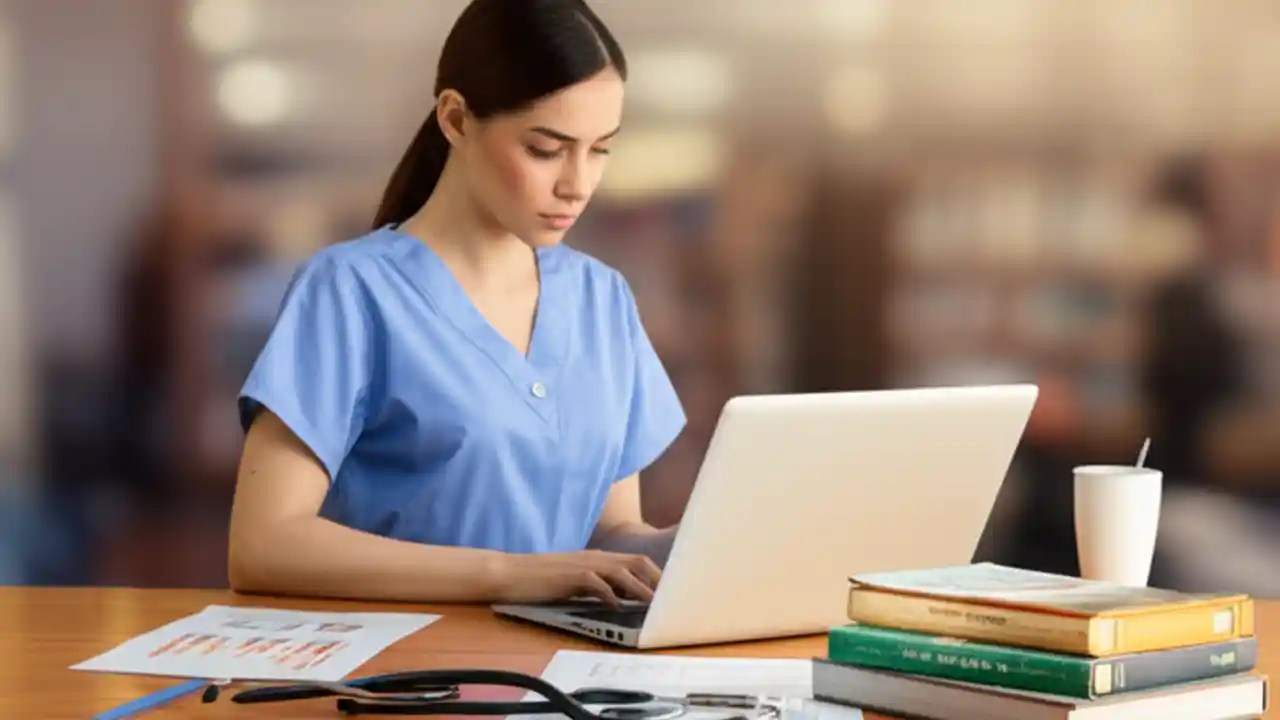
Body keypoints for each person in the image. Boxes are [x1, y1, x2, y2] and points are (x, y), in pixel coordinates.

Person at [227, 0, 686, 607]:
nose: (578, 183)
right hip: (407, 677)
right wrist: (507, 575)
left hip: (562, 677)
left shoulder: (602, 299)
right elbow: (264, 547)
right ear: (457, 119)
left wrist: (693, 548)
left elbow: (608, 534)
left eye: (600, 149)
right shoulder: (350, 292)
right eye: (547, 149)